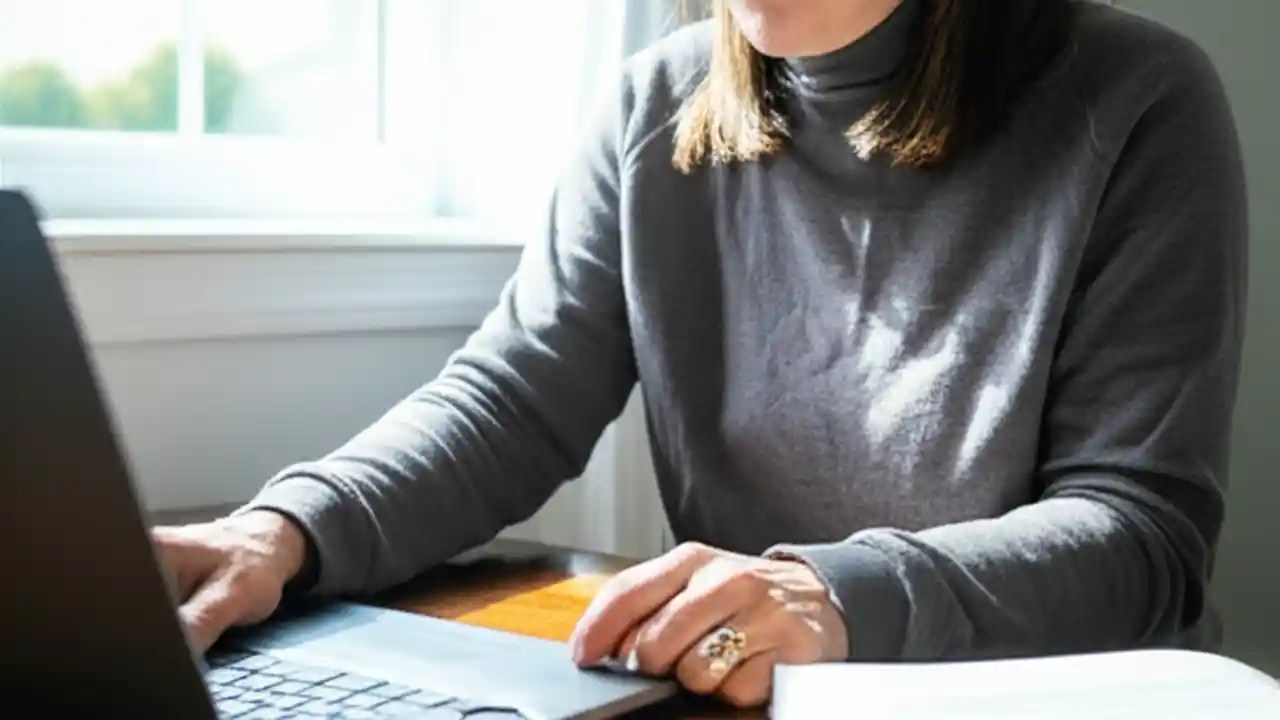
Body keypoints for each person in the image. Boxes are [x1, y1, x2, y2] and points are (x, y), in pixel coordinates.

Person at [152, 0, 1248, 709]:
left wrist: (831, 593)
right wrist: (283, 533)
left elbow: (1138, 536)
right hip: (741, 694)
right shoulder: (651, 105)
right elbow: (515, 397)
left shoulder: (1138, 97)